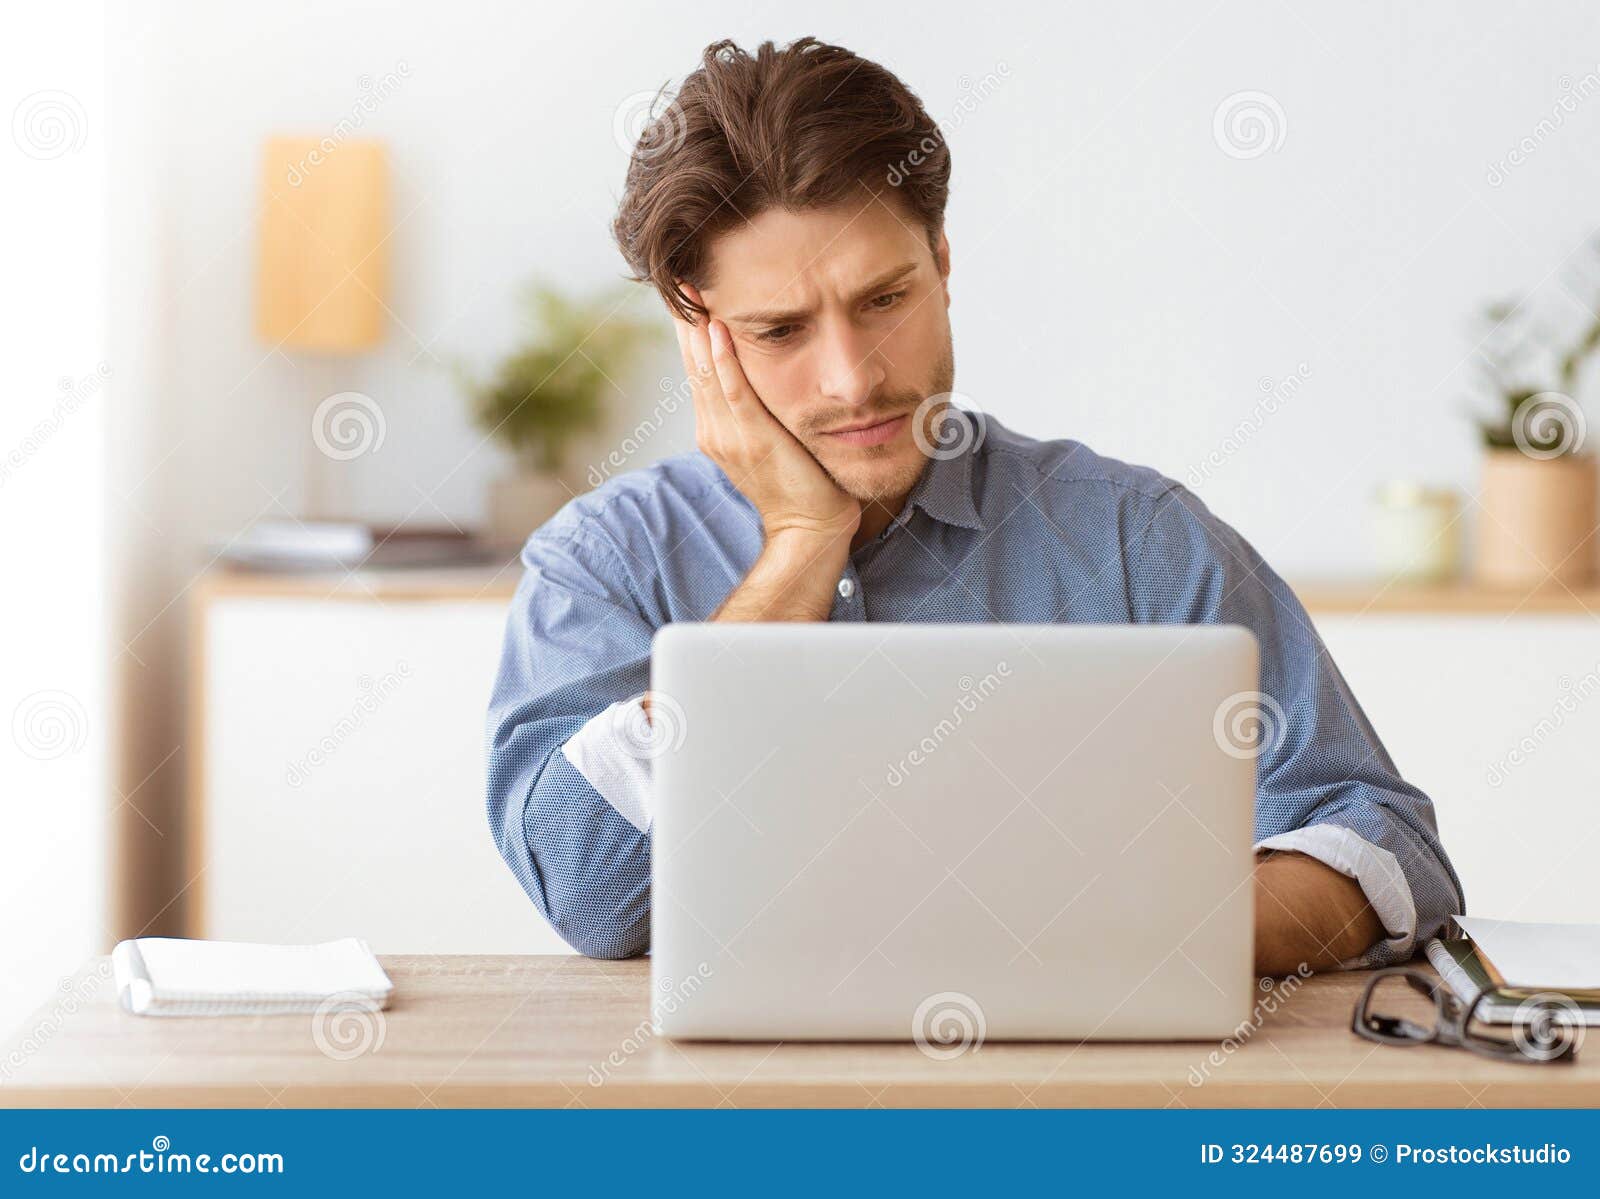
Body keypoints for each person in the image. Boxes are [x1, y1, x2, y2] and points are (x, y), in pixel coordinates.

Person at [485, 36, 1461, 975]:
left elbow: (1383, 850)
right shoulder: (603, 560)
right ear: (699, 332)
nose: (853, 378)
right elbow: (589, 892)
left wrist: (1102, 931)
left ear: (942, 264)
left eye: (884, 299)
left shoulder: (1133, 539)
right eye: (780, 329)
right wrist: (798, 549)